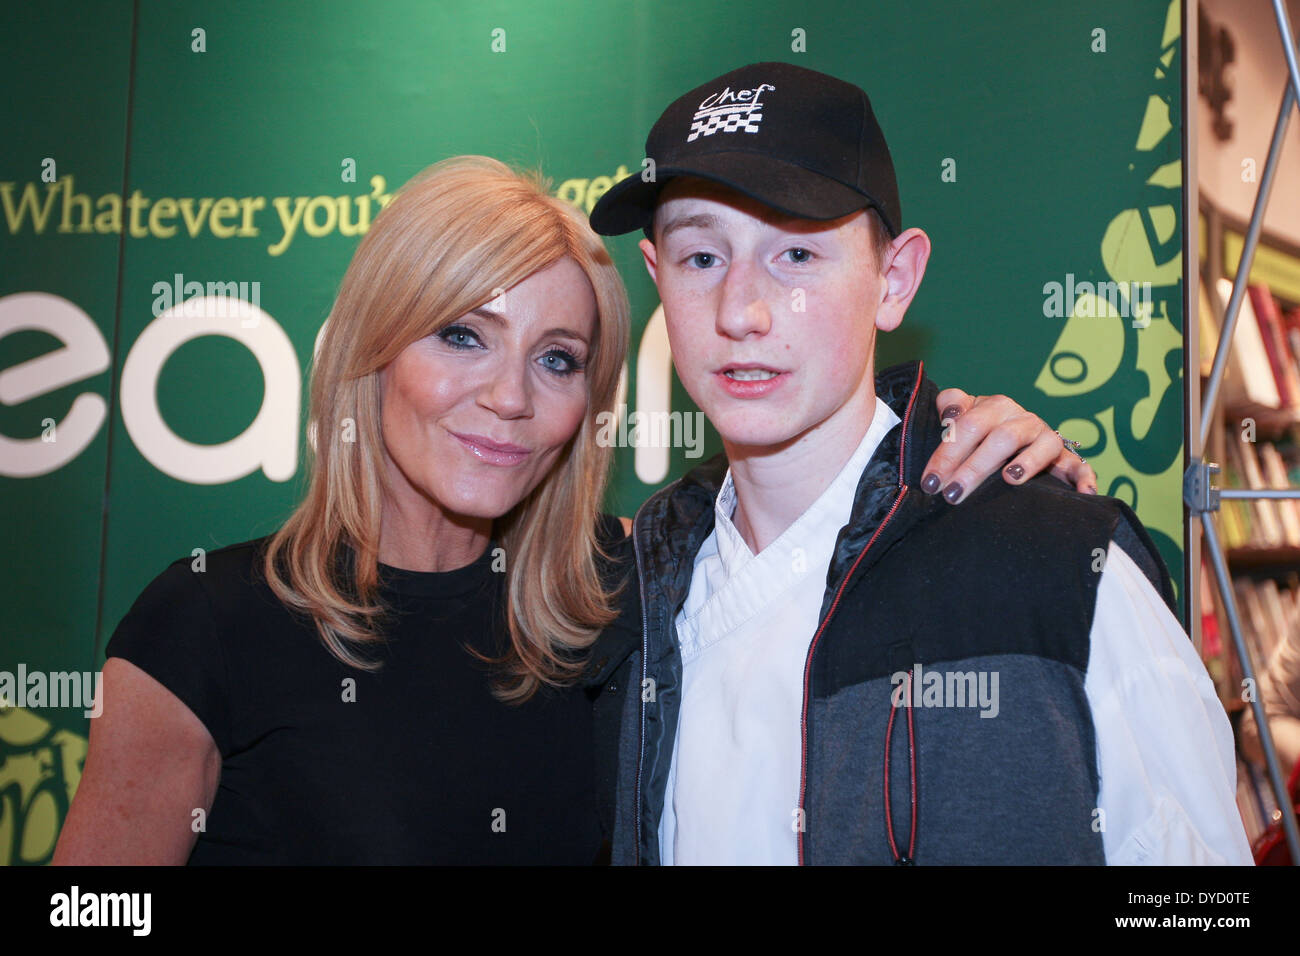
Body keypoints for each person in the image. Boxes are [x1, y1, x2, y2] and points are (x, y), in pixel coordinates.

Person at [53, 155, 1097, 866]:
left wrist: (973, 437)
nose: (509, 395)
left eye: (557, 359)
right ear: (373, 345)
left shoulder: (635, 594)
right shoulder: (206, 620)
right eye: (461, 335)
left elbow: (838, 521)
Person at [585, 61, 1254, 865]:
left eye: (796, 256)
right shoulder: (633, 596)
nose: (740, 311)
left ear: (893, 280)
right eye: (702, 258)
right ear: (657, 279)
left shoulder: (1061, 566)